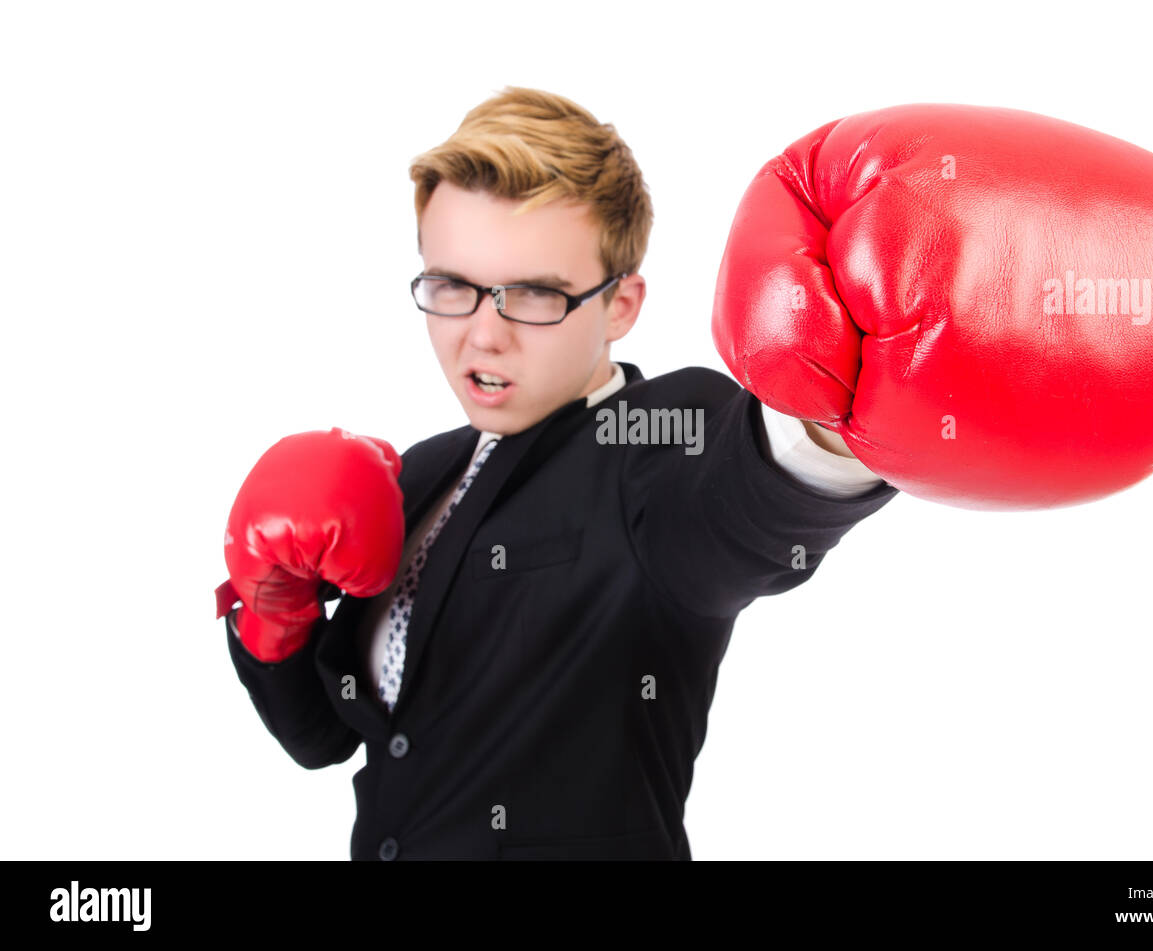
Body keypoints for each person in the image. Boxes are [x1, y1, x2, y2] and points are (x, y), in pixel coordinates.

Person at [216, 85, 898, 860]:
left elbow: (747, 504)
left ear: (621, 305)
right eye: (452, 286)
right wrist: (272, 609)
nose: (483, 335)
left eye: (533, 294)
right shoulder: (421, 472)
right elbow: (323, 736)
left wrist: (836, 410)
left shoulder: (661, 441)